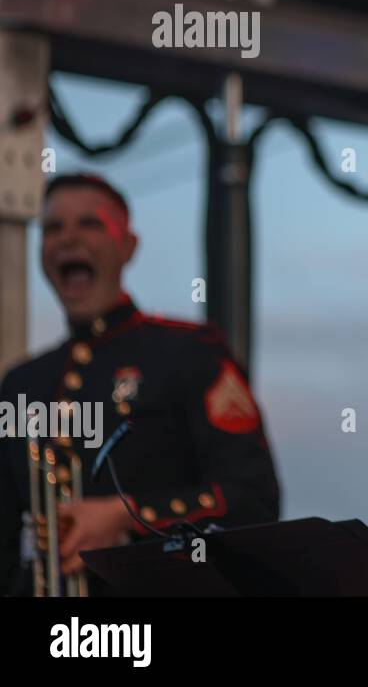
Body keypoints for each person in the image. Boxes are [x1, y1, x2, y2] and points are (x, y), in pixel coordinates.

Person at [0, 173, 280, 595]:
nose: (67, 239)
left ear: (128, 246)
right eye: (53, 228)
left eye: (89, 223)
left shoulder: (190, 351)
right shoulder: (22, 383)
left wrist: (127, 515)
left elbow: (253, 499)